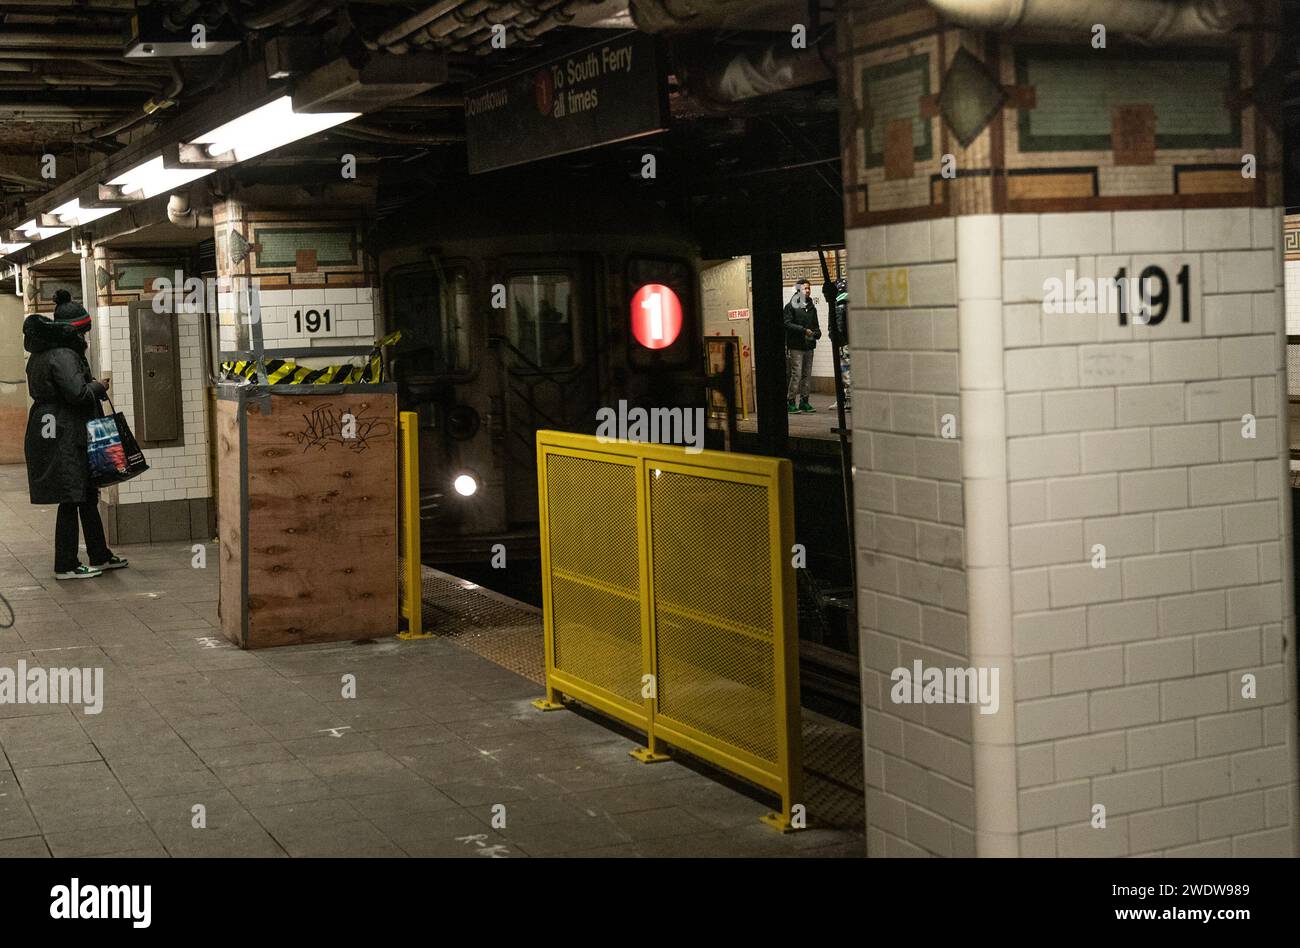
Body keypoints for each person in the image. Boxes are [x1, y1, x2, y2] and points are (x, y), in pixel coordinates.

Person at [23, 290, 128, 579]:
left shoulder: (41, 354)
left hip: (55, 428)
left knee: (84, 495)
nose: (84, 338)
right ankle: (66, 564)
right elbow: (78, 394)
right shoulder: (64, 355)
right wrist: (98, 386)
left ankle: (99, 555)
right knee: (72, 497)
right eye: (83, 332)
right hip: (67, 432)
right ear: (74, 330)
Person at [782, 277, 821, 413]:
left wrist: (816, 333)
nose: (808, 290)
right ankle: (790, 401)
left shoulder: (811, 307)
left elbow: (816, 326)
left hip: (809, 346)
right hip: (796, 346)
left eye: (809, 288)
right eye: (805, 288)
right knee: (796, 374)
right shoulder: (790, 306)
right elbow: (786, 324)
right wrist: (803, 330)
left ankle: (804, 402)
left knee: (806, 375)